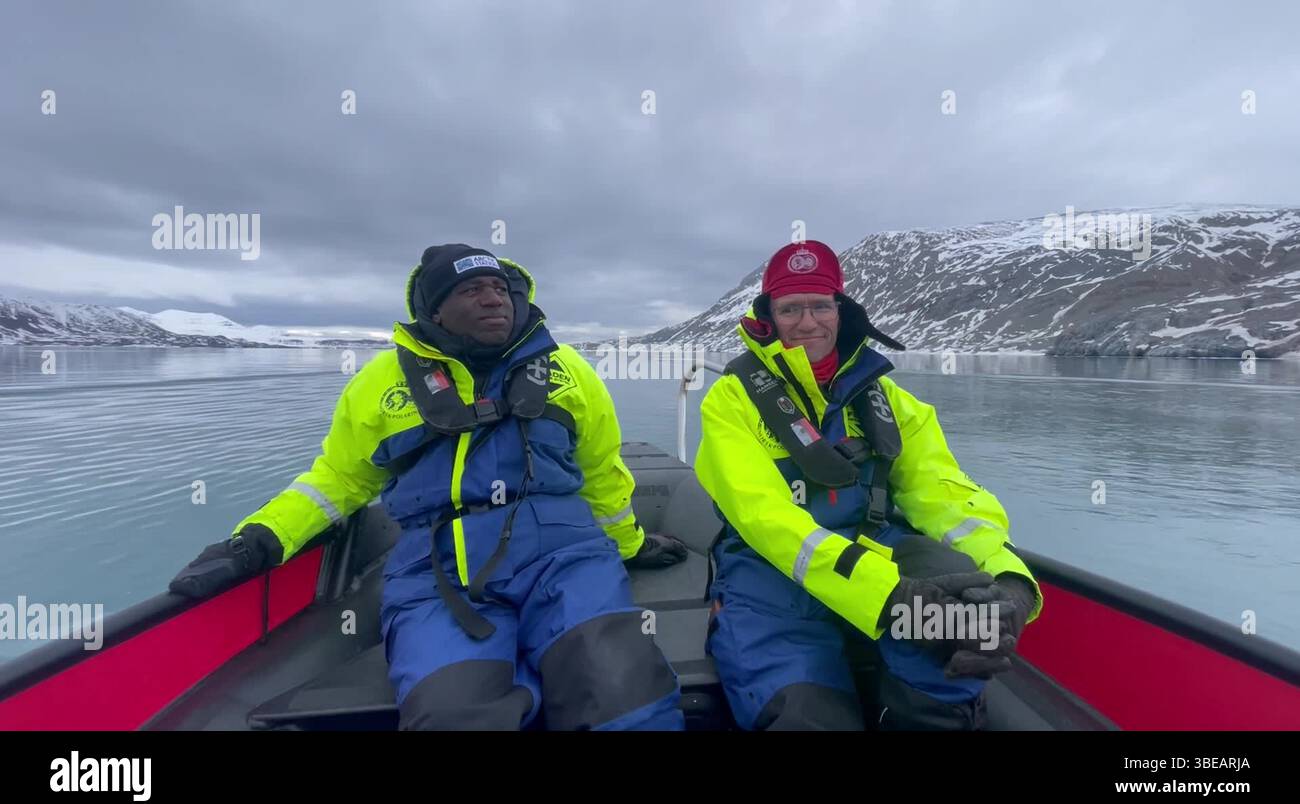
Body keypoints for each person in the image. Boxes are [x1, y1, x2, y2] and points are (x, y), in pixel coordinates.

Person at [169, 244, 689, 731]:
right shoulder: (379, 383)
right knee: (452, 714)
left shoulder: (569, 371)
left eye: (499, 288)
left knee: (626, 695)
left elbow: (601, 474)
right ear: (434, 310)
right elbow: (339, 480)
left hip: (566, 554)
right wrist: (258, 537)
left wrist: (629, 546)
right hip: (436, 571)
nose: (492, 298)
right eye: (471, 290)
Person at [694, 239, 1043, 730]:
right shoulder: (731, 402)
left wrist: (1008, 578)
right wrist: (891, 598)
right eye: (790, 308)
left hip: (876, 552)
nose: (808, 322)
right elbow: (763, 518)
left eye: (820, 305)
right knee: (803, 712)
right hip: (770, 574)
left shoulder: (893, 402)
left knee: (961, 622)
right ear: (768, 317)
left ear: (841, 310)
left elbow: (944, 495)